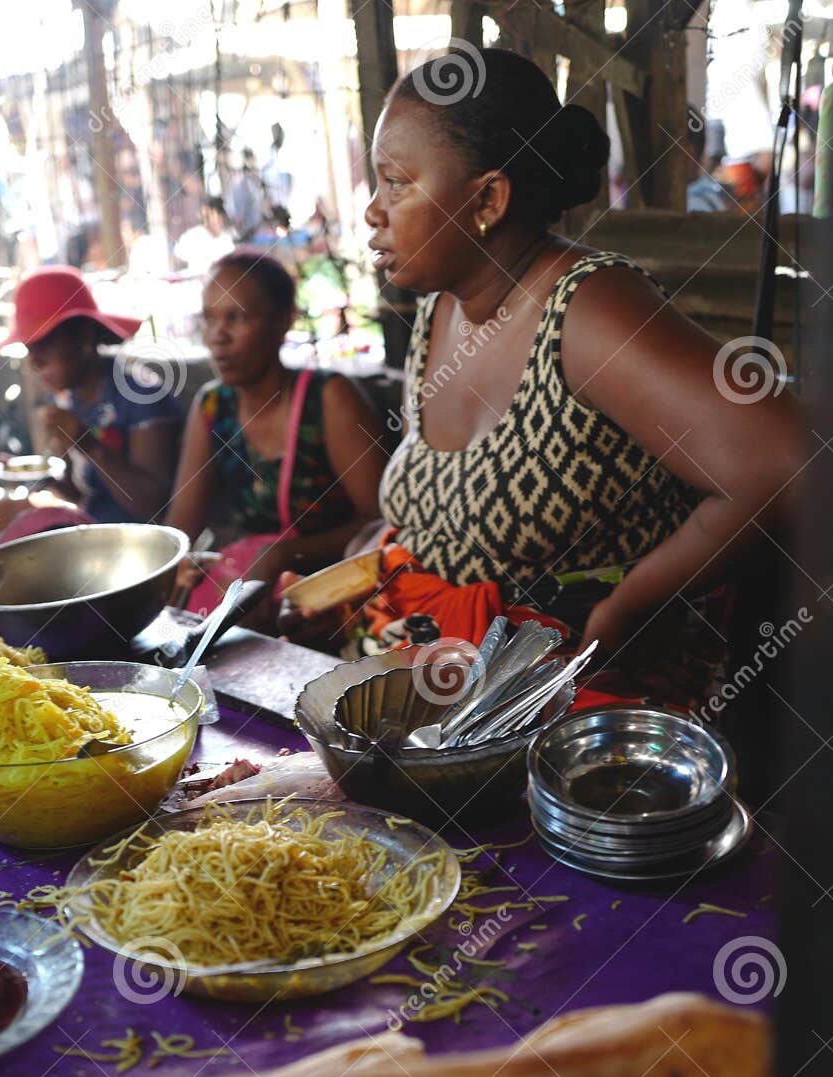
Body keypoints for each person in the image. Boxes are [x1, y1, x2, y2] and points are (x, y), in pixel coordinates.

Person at [288, 49, 800, 708]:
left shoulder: (586, 311)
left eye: (394, 182)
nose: (371, 212)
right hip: (438, 713)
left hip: (572, 732)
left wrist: (631, 608)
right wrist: (351, 580)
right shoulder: (440, 308)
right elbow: (441, 521)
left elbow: (783, 461)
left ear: (488, 200)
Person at [167, 250, 386, 617]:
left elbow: (382, 523)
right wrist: (180, 566)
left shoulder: (329, 398)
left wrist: (288, 554)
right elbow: (182, 528)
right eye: (209, 319)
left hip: (332, 595)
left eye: (236, 318)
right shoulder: (212, 407)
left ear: (282, 321)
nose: (217, 337)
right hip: (251, 584)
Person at [0, 266, 179, 524]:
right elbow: (87, 497)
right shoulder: (71, 400)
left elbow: (155, 507)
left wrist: (87, 443)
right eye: (30, 349)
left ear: (83, 336)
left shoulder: (141, 394)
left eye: (45, 344)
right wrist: (45, 478)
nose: (35, 362)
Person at [686, 110, 737, 213]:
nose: (717, 166)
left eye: (717, 160)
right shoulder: (708, 197)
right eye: (714, 160)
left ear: (688, 152)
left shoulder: (695, 203)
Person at [175, 197, 234, 274]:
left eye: (209, 216)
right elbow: (178, 253)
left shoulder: (228, 241)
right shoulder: (194, 235)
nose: (206, 221)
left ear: (220, 217)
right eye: (204, 217)